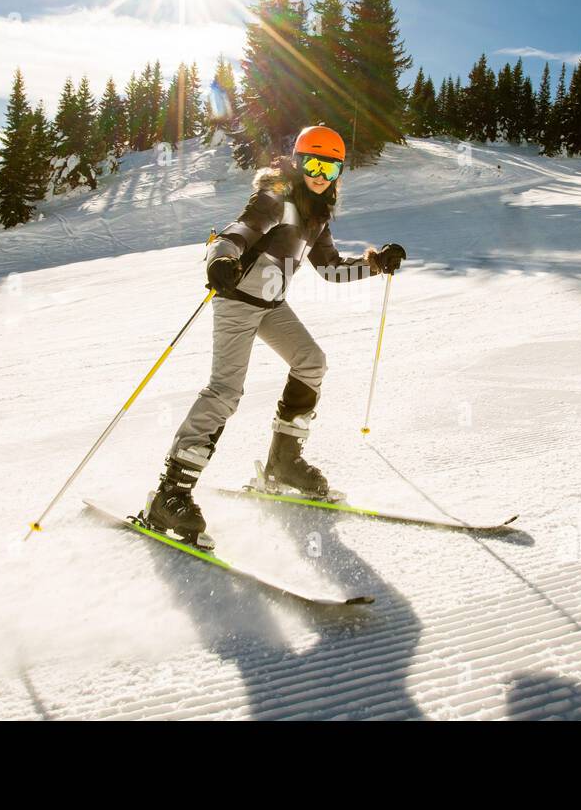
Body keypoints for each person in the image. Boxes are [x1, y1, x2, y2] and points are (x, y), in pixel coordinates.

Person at [142, 124, 406, 548]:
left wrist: (374, 265)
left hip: (270, 306)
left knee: (311, 362)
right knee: (226, 391)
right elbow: (236, 232)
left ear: (339, 172)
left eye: (331, 167)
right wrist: (221, 259)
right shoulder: (275, 196)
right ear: (298, 161)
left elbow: (331, 268)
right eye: (313, 163)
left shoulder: (317, 213)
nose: (320, 174)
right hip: (237, 299)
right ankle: (170, 493)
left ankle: (283, 463)